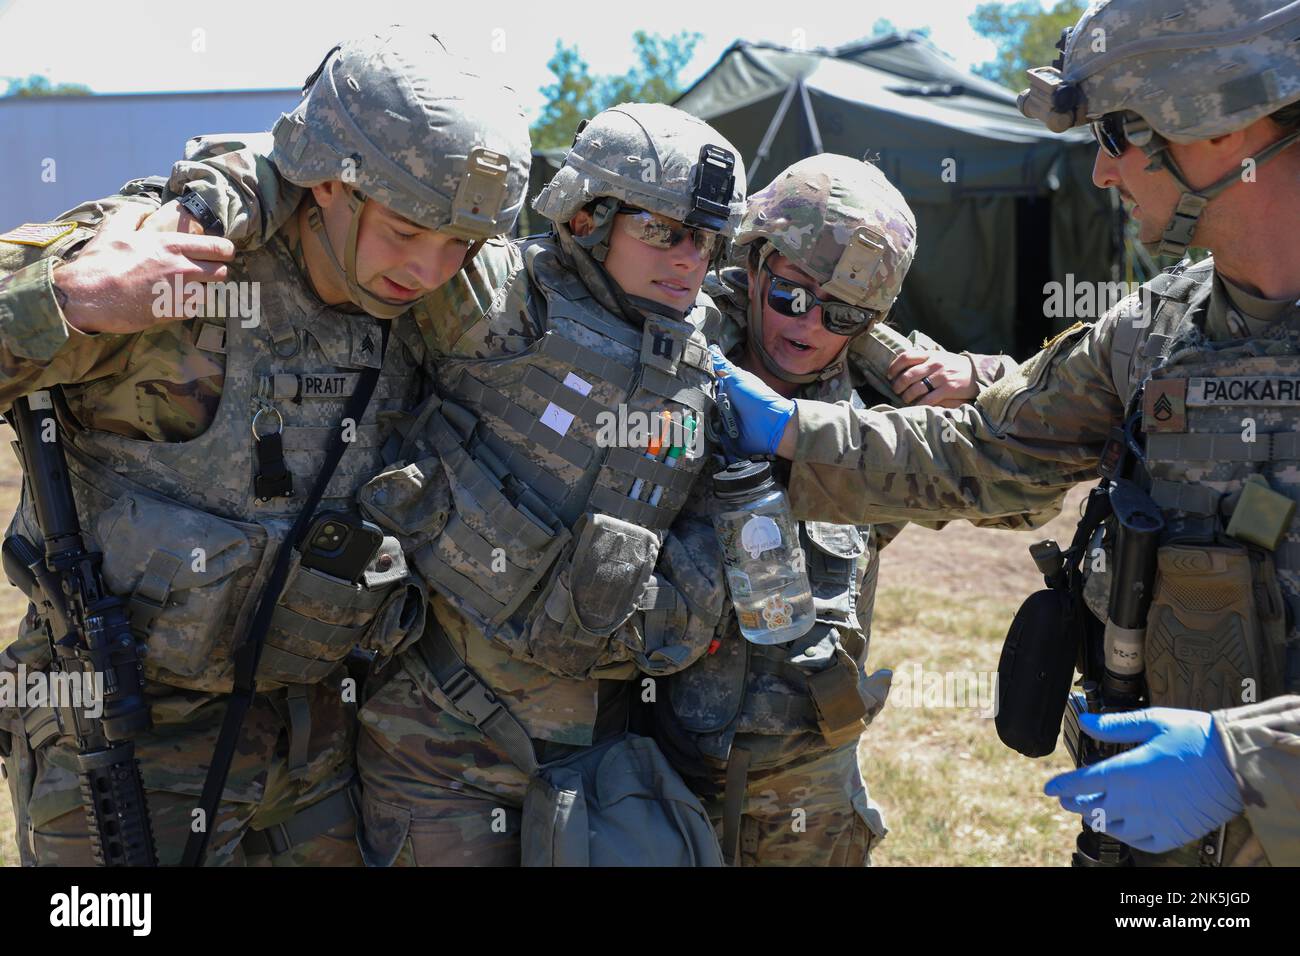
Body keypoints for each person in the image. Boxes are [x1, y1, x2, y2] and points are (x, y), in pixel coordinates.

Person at [712, 0, 1300, 866]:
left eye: (1111, 137)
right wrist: (798, 430)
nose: (1101, 175)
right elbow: (990, 453)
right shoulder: (1154, 331)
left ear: (1211, 123)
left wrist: (1247, 759)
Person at [0, 27, 531, 866]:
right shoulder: (165, 252)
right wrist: (69, 298)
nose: (430, 270)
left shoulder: (438, 306)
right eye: (403, 231)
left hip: (321, 735)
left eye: (457, 244)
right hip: (130, 733)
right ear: (325, 182)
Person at [653, 152, 1022, 865]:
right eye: (791, 296)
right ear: (753, 263)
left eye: (845, 313)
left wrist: (978, 376)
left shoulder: (885, 396)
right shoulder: (676, 345)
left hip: (807, 770)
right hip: (652, 749)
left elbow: (1035, 460)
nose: (812, 327)